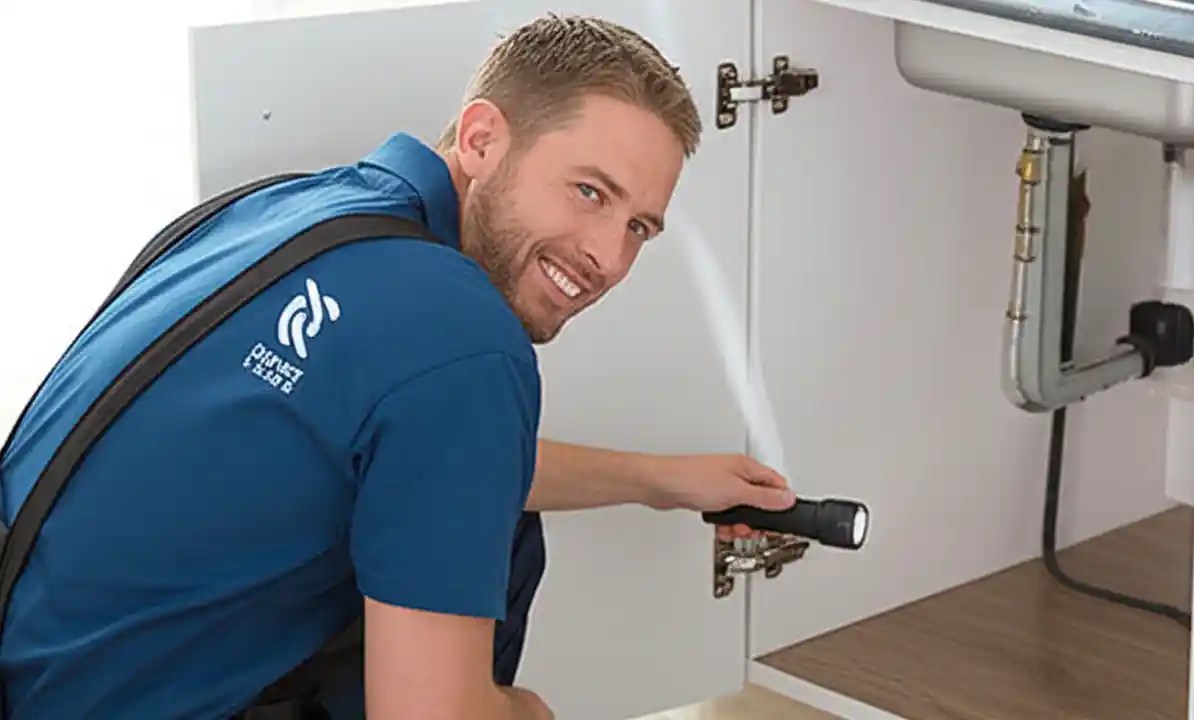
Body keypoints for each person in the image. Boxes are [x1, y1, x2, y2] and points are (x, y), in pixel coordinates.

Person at [0, 13, 796, 720]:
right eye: (589, 192)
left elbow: (405, 456)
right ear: (483, 138)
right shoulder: (462, 337)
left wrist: (656, 481)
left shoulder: (287, 209)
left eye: (640, 229)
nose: (607, 257)